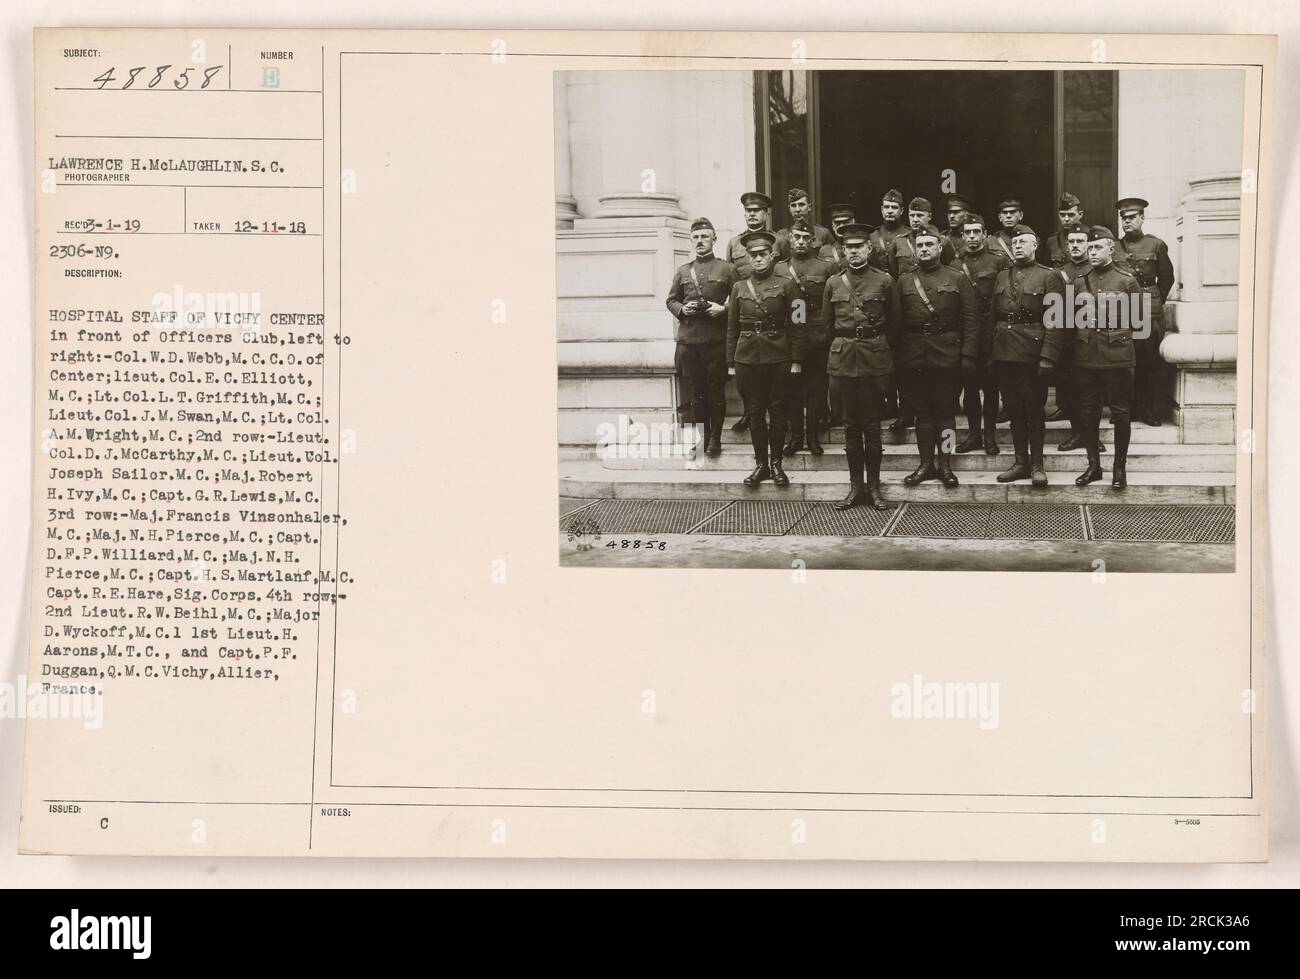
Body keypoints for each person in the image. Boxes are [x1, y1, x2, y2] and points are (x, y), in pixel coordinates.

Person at [895, 225, 980, 488]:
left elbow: (971, 320)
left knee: (945, 413)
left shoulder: (957, 278)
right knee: (922, 413)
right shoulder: (904, 281)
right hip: (915, 356)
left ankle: (944, 464)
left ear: (939, 247)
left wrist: (967, 356)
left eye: (929, 245)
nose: (924, 249)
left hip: (947, 355)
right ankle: (925, 464)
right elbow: (897, 323)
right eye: (920, 246)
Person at [823, 223, 900, 510]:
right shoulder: (833, 283)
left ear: (869, 248)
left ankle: (875, 488)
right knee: (850, 427)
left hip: (874, 361)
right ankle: (856, 488)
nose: (853, 252)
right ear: (843, 251)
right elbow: (827, 325)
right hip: (842, 362)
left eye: (859, 246)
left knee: (872, 426)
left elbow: (894, 322)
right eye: (848, 247)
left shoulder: (884, 281)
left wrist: (874, 344)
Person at [989, 225, 1066, 488]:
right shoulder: (1001, 277)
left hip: (1034, 355)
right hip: (1004, 353)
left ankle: (1037, 465)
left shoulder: (1050, 276)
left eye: (1024, 241)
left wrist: (1048, 357)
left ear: (1036, 246)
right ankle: (1020, 462)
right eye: (1015, 242)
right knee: (1013, 410)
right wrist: (992, 353)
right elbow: (993, 316)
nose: (1018, 245)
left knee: (1034, 410)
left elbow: (1056, 321)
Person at [726, 230, 804, 487]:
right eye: (753, 255)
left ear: (772, 255)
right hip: (747, 358)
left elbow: (798, 325)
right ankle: (761, 464)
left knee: (778, 412)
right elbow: (731, 329)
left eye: (762, 254)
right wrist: (731, 363)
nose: (758, 259)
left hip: (778, 356)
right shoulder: (738, 287)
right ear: (747, 257)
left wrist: (796, 359)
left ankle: (777, 464)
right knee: (756, 413)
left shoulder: (788, 285)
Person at [1071, 225, 1144, 489]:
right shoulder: (1080, 281)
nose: (1092, 252)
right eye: (1090, 248)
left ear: (1111, 249)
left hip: (1117, 357)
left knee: (1120, 413)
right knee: (1088, 413)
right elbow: (1074, 318)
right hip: (1087, 356)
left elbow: (1140, 321)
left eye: (1097, 247)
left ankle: (1119, 468)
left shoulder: (1126, 280)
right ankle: (1094, 466)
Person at [665, 217, 735, 458]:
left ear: (714, 239)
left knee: (716, 392)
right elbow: (671, 300)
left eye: (705, 236)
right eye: (695, 237)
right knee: (696, 393)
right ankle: (700, 438)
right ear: (690, 240)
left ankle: (715, 438)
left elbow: (737, 300)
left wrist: (723, 309)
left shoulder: (727, 269)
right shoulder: (683, 271)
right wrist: (683, 310)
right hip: (690, 342)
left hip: (715, 341)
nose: (700, 241)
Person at [948, 213, 1008, 455]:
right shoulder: (953, 264)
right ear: (962, 236)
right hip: (965, 333)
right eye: (967, 233)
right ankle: (973, 435)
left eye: (976, 232)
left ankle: (990, 436)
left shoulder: (998, 261)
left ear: (984, 234)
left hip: (991, 331)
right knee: (969, 388)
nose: (972, 237)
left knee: (991, 387)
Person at [776, 219, 835, 457]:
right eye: (796, 237)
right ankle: (796, 436)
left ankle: (812, 437)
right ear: (789, 239)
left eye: (805, 238)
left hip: (817, 334)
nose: (800, 242)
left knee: (816, 388)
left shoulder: (825, 268)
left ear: (813, 241)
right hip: (788, 336)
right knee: (791, 389)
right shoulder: (779, 268)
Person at [1114, 196, 1175, 427]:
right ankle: (1127, 410)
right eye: (1123, 218)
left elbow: (1167, 278)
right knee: (1124, 362)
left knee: (1149, 362)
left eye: (1131, 217)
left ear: (1142, 218)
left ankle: (1148, 410)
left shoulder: (1156, 245)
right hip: (1123, 311)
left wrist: (1153, 299)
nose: (1127, 222)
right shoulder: (1115, 248)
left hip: (1149, 312)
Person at [1054, 227, 1106, 455]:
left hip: (1093, 340)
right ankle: (1077, 433)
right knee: (1071, 391)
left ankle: (1092, 435)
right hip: (1068, 341)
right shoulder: (1058, 273)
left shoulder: (1097, 270)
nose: (1075, 245)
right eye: (1071, 241)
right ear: (1066, 246)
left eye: (1080, 241)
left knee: (1092, 392)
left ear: (1088, 245)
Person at [726, 191, 774, 433]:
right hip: (745, 307)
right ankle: (748, 412)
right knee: (748, 373)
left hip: (771, 310)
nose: (752, 215)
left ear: (766, 213)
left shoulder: (778, 241)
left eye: (757, 211)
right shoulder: (734, 243)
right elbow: (730, 276)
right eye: (748, 211)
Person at [775, 188, 836, 255]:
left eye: (801, 205)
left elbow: (831, 257)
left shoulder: (823, 233)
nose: (797, 209)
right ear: (789, 209)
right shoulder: (782, 234)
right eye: (793, 205)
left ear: (809, 207)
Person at [1044, 192, 1085, 270]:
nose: (1066, 219)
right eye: (1062, 215)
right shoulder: (1052, 241)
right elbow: (1047, 271)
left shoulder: (1090, 237)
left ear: (1080, 215)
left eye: (1071, 215)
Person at [989, 195, 1024, 265]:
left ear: (1021, 215)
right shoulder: (989, 242)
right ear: (999, 217)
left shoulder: (1033, 240)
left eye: (1013, 212)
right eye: (1004, 213)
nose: (1008, 216)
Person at [943, 195, 972, 265]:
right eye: (949, 212)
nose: (951, 216)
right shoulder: (942, 237)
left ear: (966, 215)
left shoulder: (975, 237)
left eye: (956, 212)